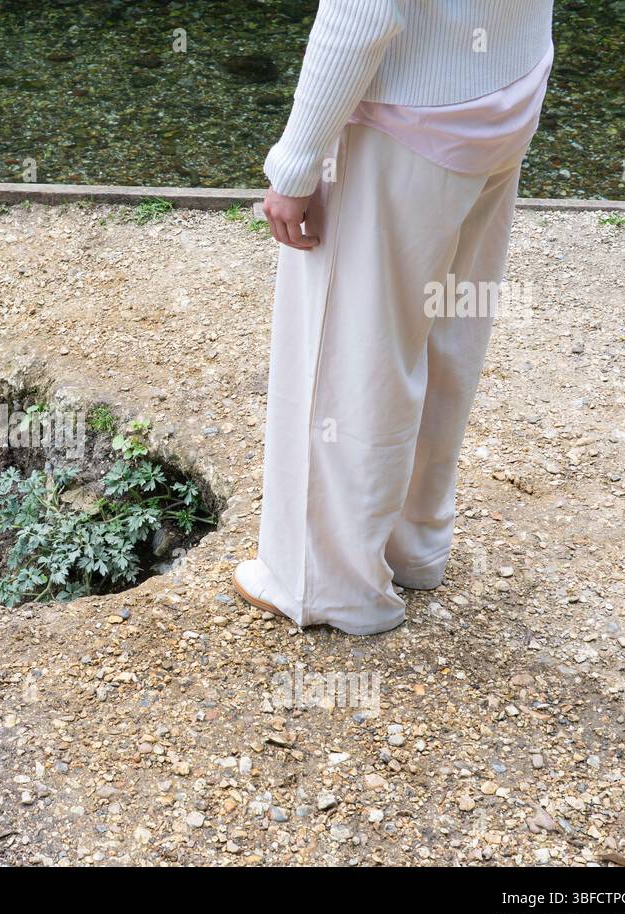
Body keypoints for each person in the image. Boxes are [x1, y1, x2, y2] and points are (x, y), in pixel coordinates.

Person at [235, 0, 554, 635]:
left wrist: (296, 162)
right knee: (444, 332)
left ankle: (330, 586)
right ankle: (416, 543)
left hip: (404, 121)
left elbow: (361, 14)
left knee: (354, 355)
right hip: (504, 92)